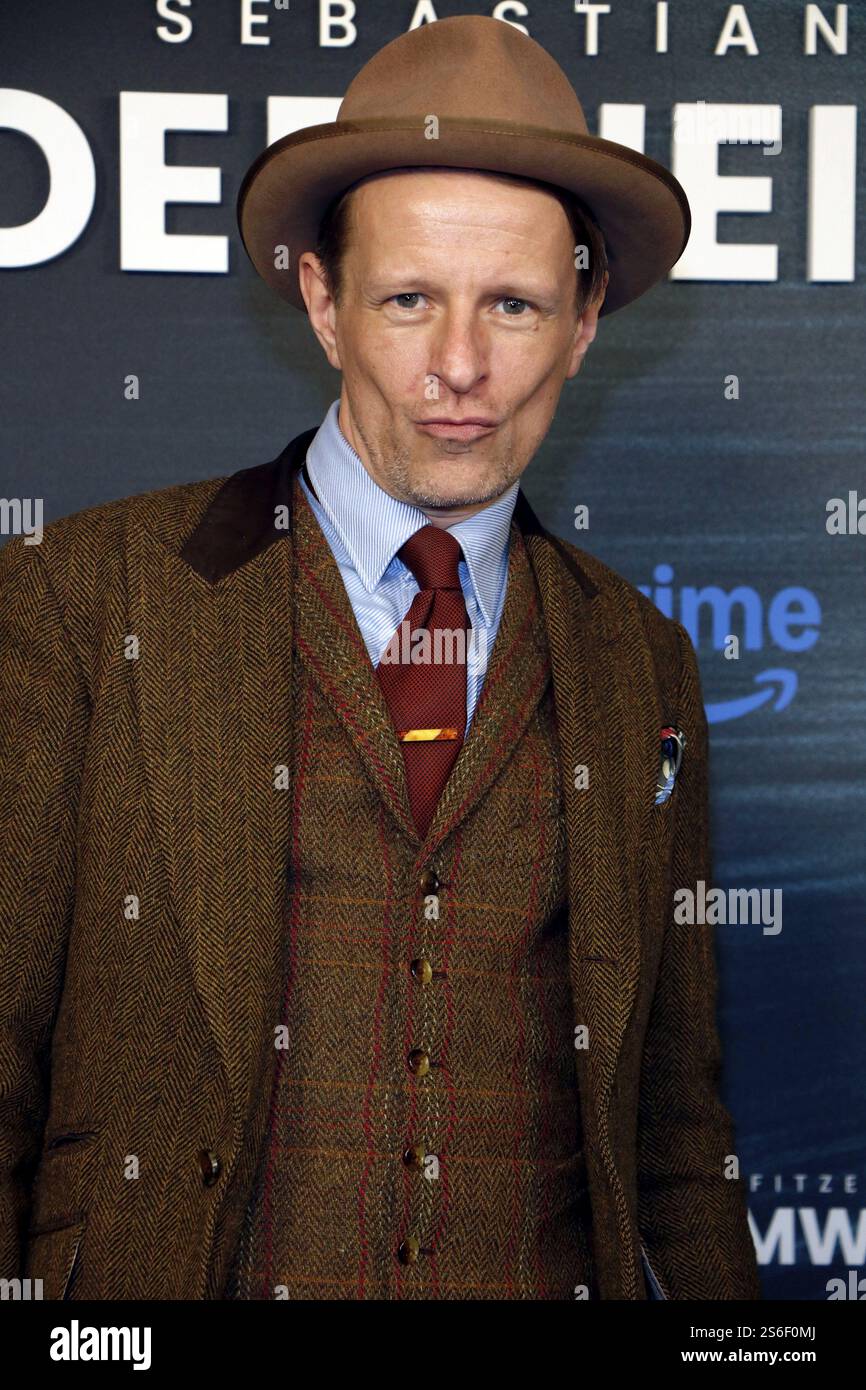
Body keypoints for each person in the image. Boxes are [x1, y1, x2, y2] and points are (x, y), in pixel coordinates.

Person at [0, 14, 760, 1300]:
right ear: (321, 301)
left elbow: (675, 1133)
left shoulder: (641, 664)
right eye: (409, 298)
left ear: (582, 323)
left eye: (512, 306)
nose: (457, 368)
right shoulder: (80, 599)